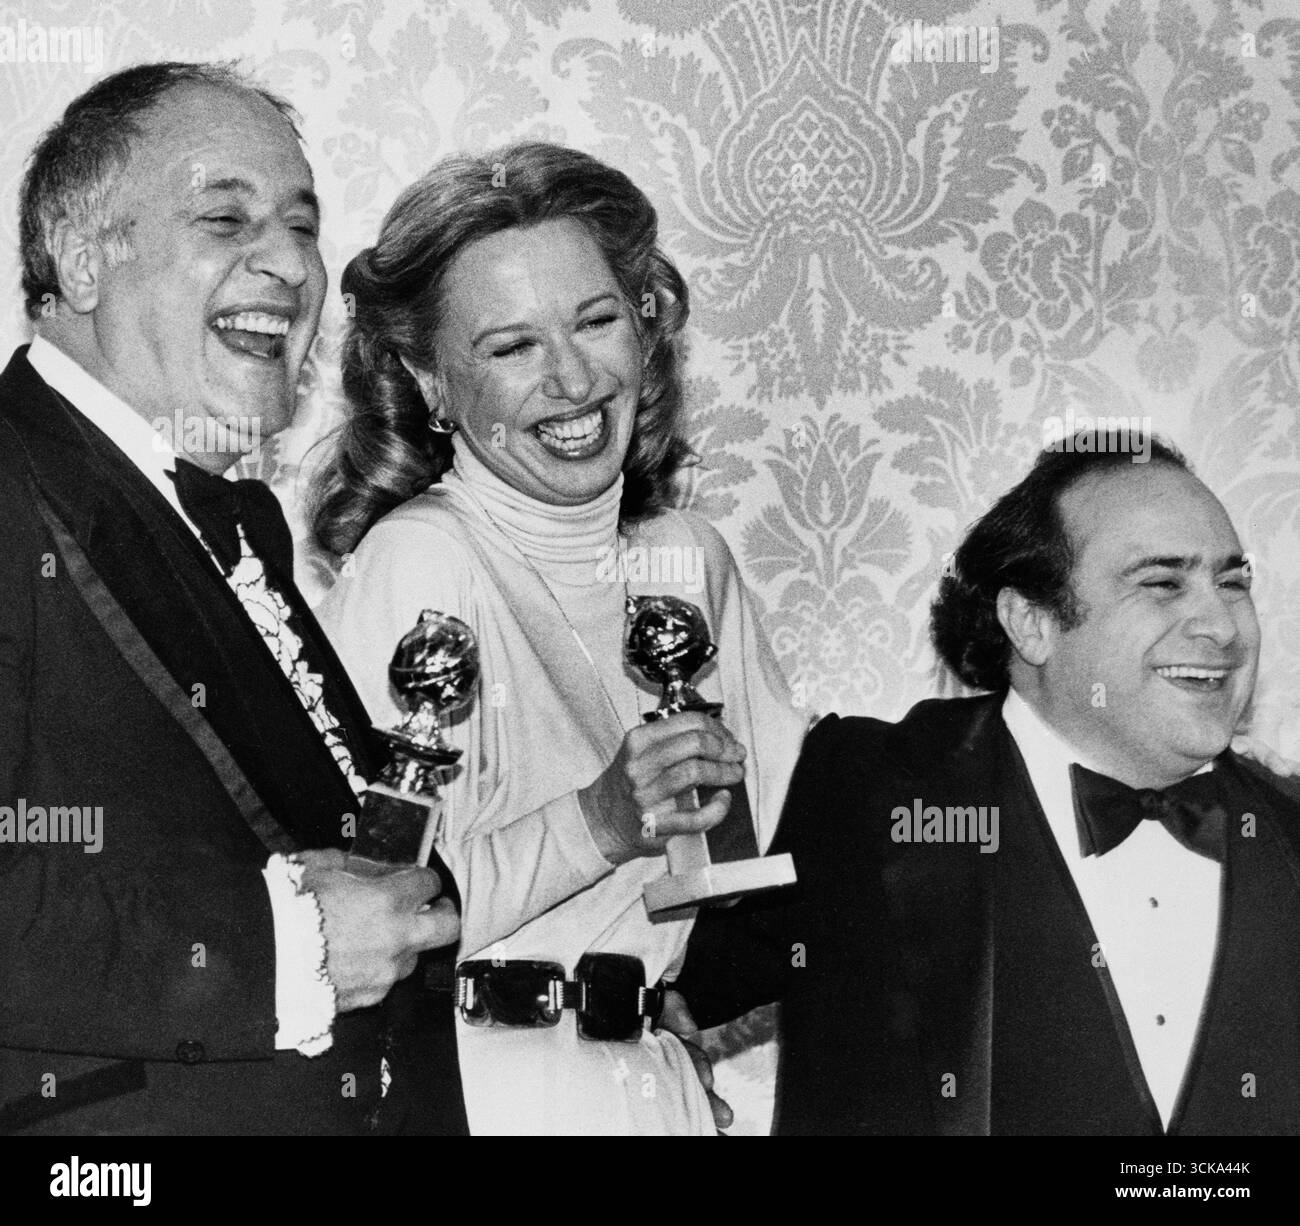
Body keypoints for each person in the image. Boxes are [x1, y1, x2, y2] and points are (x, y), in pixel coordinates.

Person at [0, 62, 463, 1135]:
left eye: (302, 227)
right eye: (226, 217)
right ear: (80, 259)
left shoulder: (244, 523)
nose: (291, 266)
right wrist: (276, 950)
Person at [313, 142, 806, 1135]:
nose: (573, 377)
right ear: (428, 382)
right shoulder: (420, 564)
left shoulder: (690, 559)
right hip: (475, 1094)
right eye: (511, 346)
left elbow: (772, 872)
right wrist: (599, 820)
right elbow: (367, 918)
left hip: (657, 1087)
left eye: (596, 320)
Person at [673, 431, 1300, 1135]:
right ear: (1030, 622)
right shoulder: (858, 790)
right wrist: (655, 1070)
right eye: (1161, 582)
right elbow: (670, 980)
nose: (1220, 624)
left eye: (1233, 581)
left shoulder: (1288, 830)